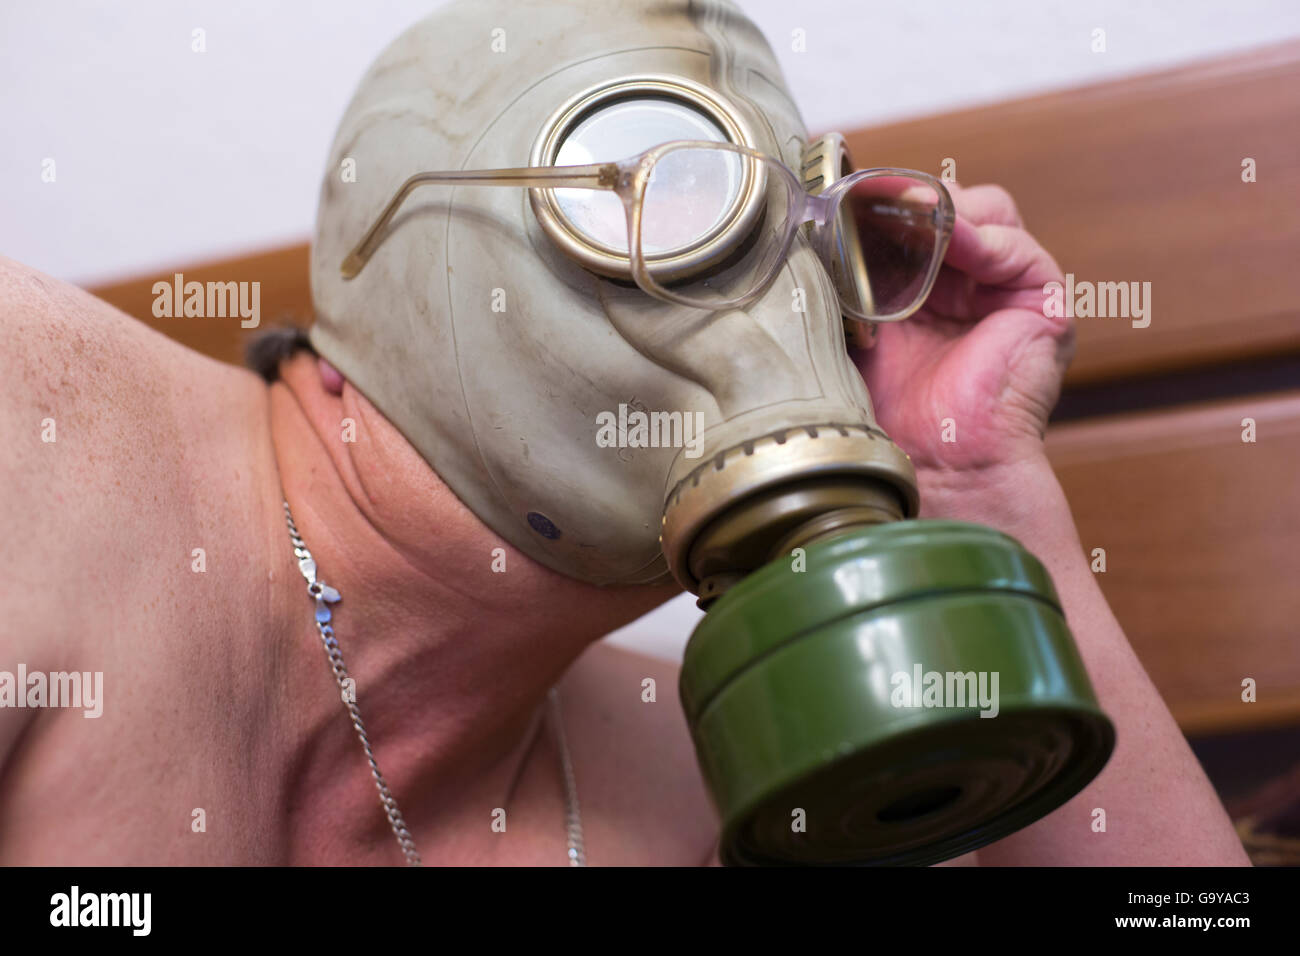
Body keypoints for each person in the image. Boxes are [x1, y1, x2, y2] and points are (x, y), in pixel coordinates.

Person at [0, 170, 1247, 863]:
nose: (728, 315)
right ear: (358, 329)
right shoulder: (41, 417)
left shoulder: (713, 787)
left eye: (771, 240)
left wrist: (974, 493)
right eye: (618, 211)